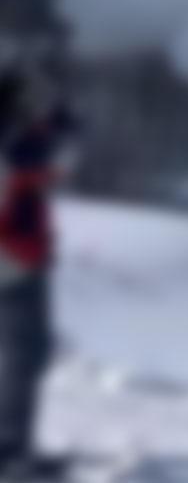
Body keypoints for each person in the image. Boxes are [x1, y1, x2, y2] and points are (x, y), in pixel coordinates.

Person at [0, 67, 73, 476]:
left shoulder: (21, 141)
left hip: (24, 259)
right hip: (14, 263)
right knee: (22, 356)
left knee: (28, 354)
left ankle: (16, 447)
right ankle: (12, 452)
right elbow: (47, 165)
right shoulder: (16, 145)